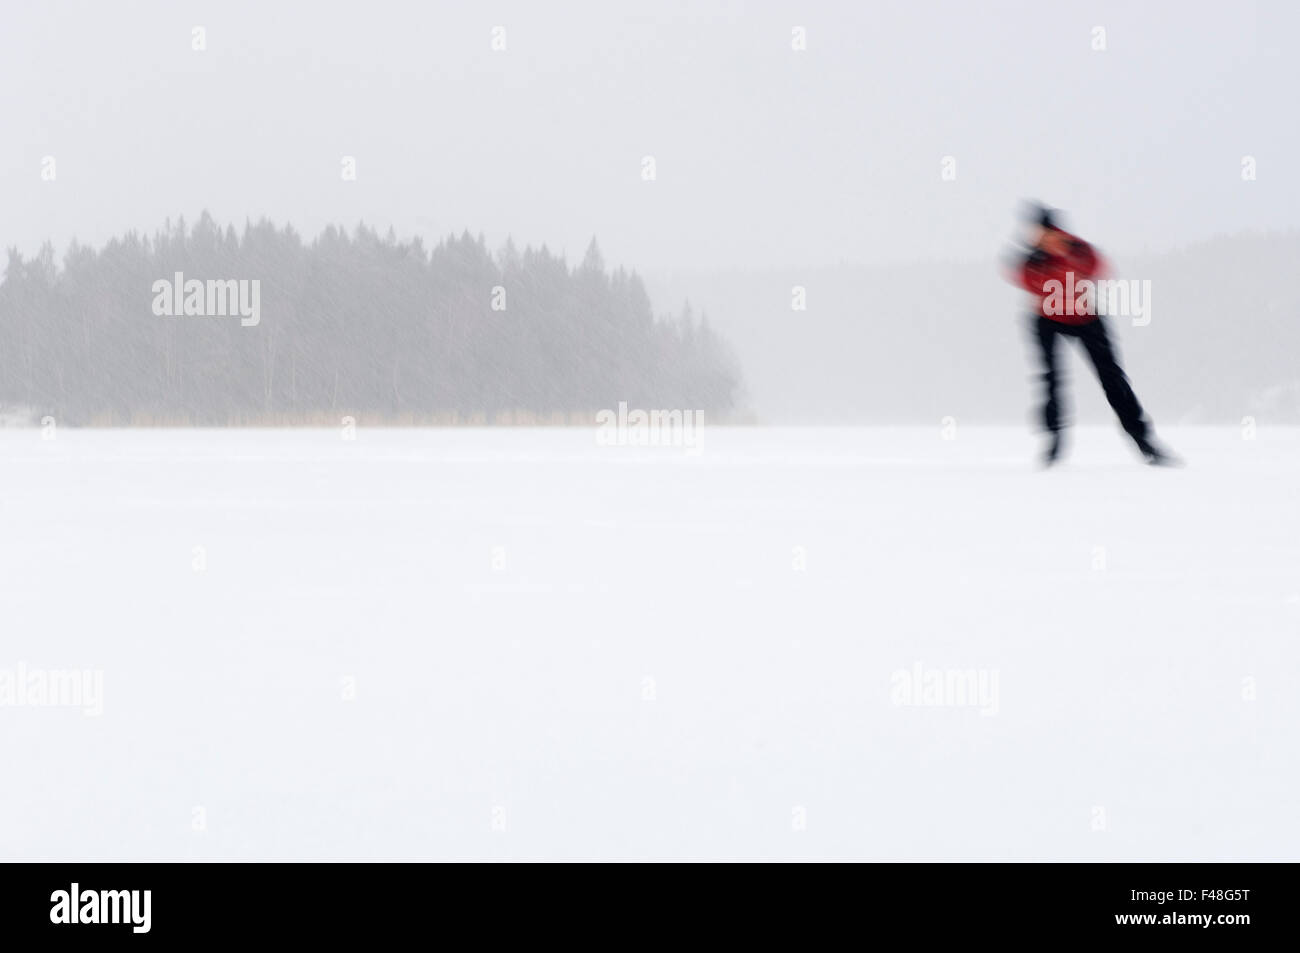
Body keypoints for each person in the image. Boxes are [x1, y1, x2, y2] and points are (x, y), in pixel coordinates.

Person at [1010, 205, 1178, 466]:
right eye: (1036, 234)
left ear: (1054, 231)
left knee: (1112, 378)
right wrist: (1045, 267)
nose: (1038, 238)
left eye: (1043, 233)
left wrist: (1065, 261)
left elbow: (1097, 268)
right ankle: (1054, 441)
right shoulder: (1033, 257)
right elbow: (1024, 278)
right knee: (1051, 379)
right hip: (1047, 320)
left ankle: (1143, 440)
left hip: (1085, 318)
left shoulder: (1077, 248)